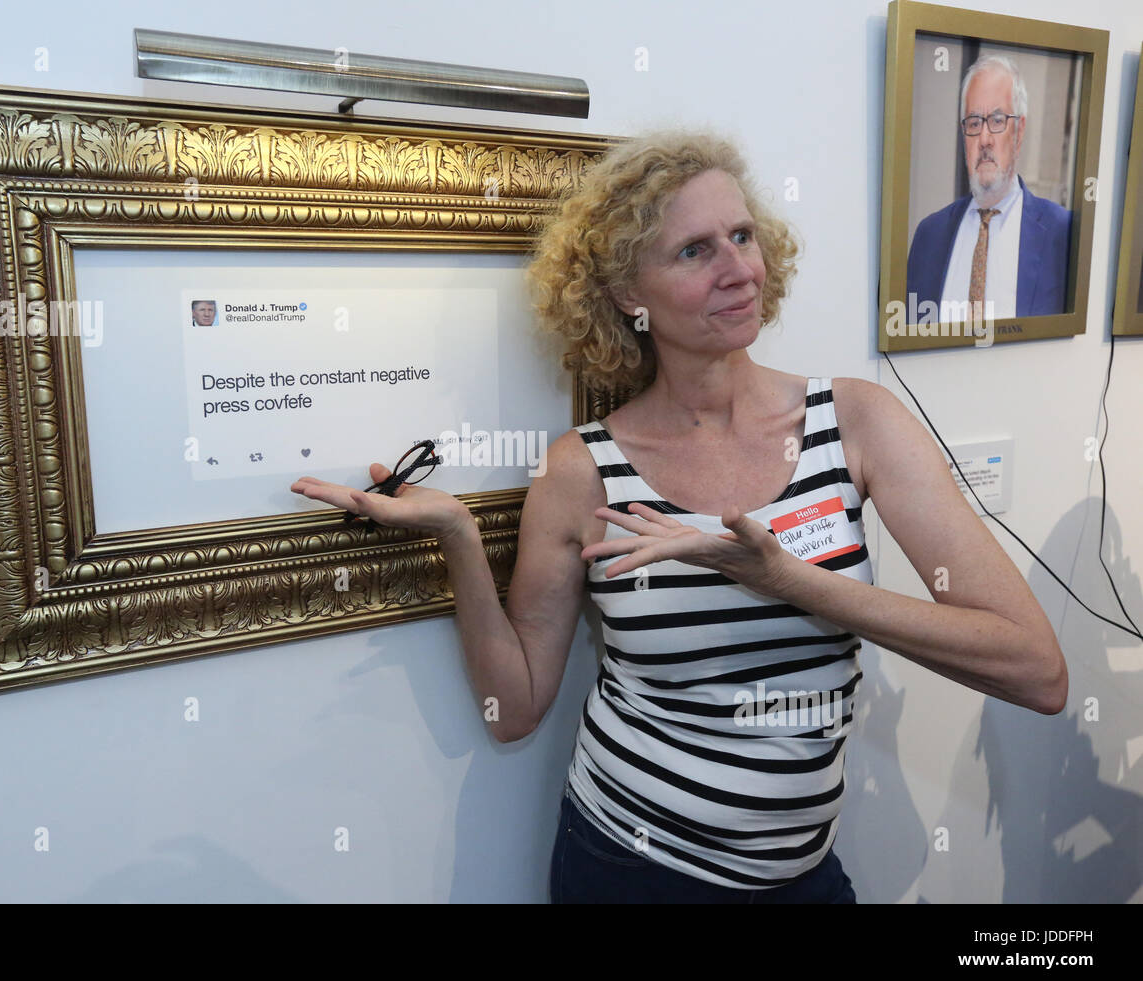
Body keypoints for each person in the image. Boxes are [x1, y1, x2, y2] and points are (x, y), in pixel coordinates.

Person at [290, 129, 1068, 904]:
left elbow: (1037, 672)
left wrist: (791, 581)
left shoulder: (856, 422)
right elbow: (514, 710)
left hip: (803, 877)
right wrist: (459, 537)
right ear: (630, 295)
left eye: (742, 236)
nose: (739, 270)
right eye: (695, 252)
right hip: (634, 869)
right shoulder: (581, 469)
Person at [906, 54, 1071, 321]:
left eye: (996, 121)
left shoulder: (1062, 234)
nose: (984, 139)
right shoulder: (929, 236)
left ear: (1019, 131)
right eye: (973, 123)